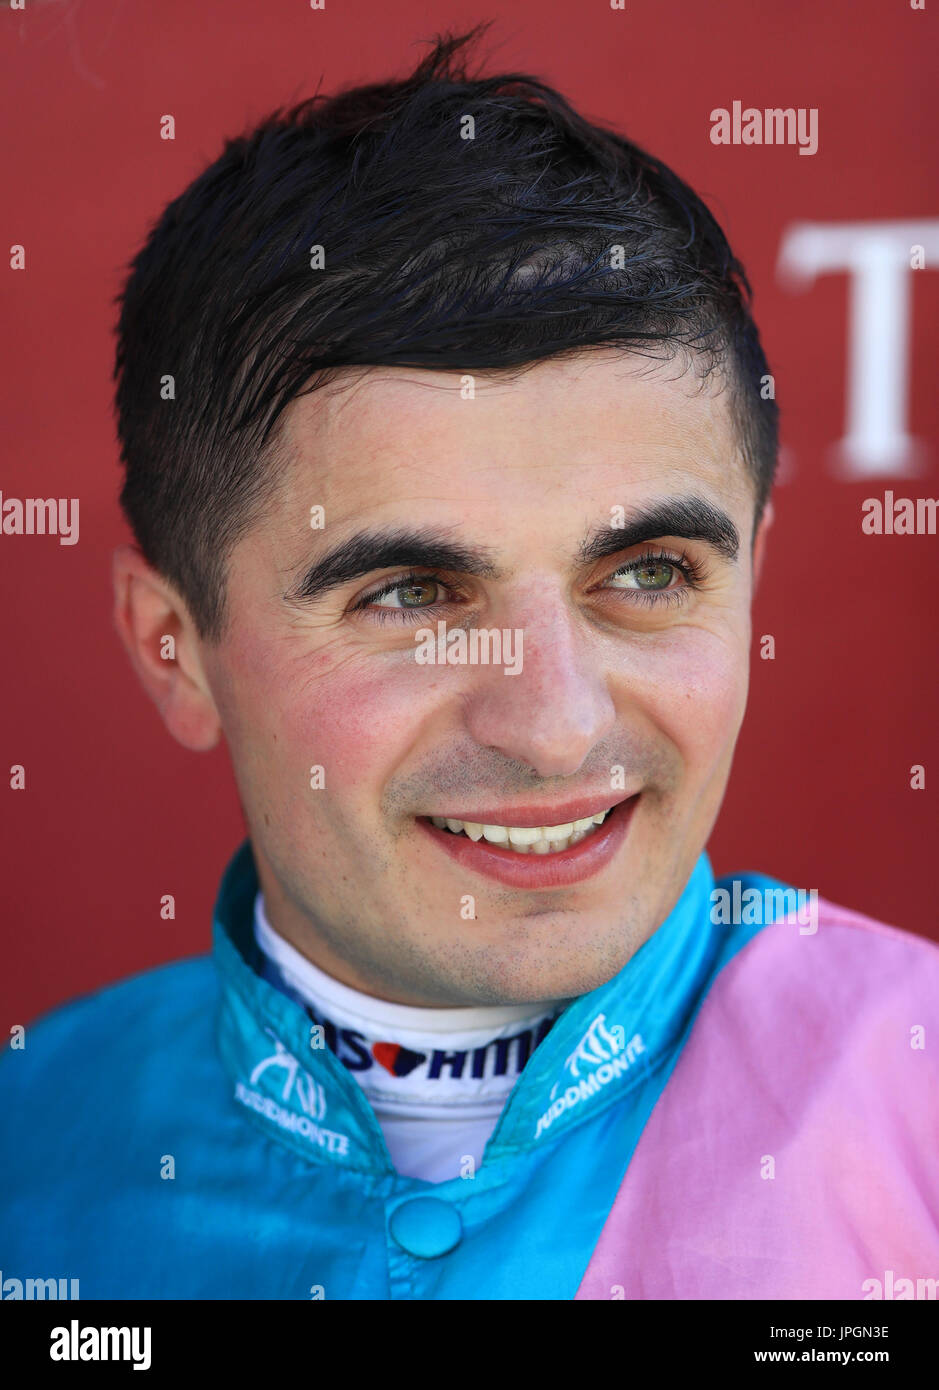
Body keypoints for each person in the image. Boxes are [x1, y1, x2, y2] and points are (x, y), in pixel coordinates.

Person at [2, 28, 937, 1302]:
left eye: (649, 573)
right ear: (175, 649)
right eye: (411, 594)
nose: (556, 725)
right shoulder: (28, 1152)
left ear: (752, 576)